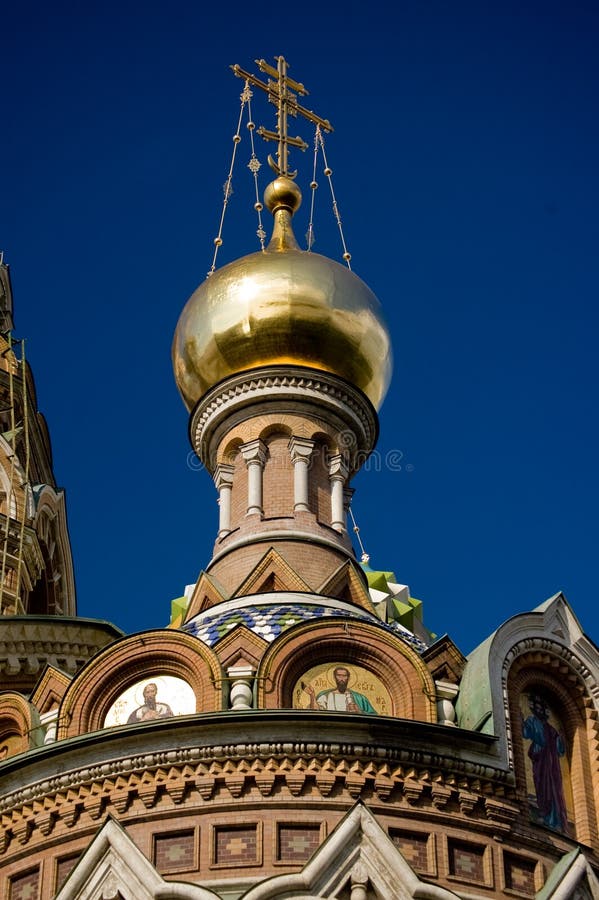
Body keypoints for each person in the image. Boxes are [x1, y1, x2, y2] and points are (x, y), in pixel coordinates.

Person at [522, 693, 568, 831]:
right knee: (541, 786)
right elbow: (525, 733)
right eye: (537, 707)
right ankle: (544, 813)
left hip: (552, 765)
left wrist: (562, 739)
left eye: (542, 708)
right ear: (533, 708)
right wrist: (519, 721)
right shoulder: (531, 721)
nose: (540, 710)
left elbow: (560, 751)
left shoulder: (551, 729)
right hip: (540, 762)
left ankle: (554, 819)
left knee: (554, 790)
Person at [302, 666, 377, 714]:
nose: (341, 679)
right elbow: (315, 712)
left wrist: (360, 712)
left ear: (349, 678)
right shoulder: (326, 695)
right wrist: (312, 695)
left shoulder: (360, 698)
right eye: (339, 676)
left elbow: (374, 715)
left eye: (344, 676)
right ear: (334, 678)